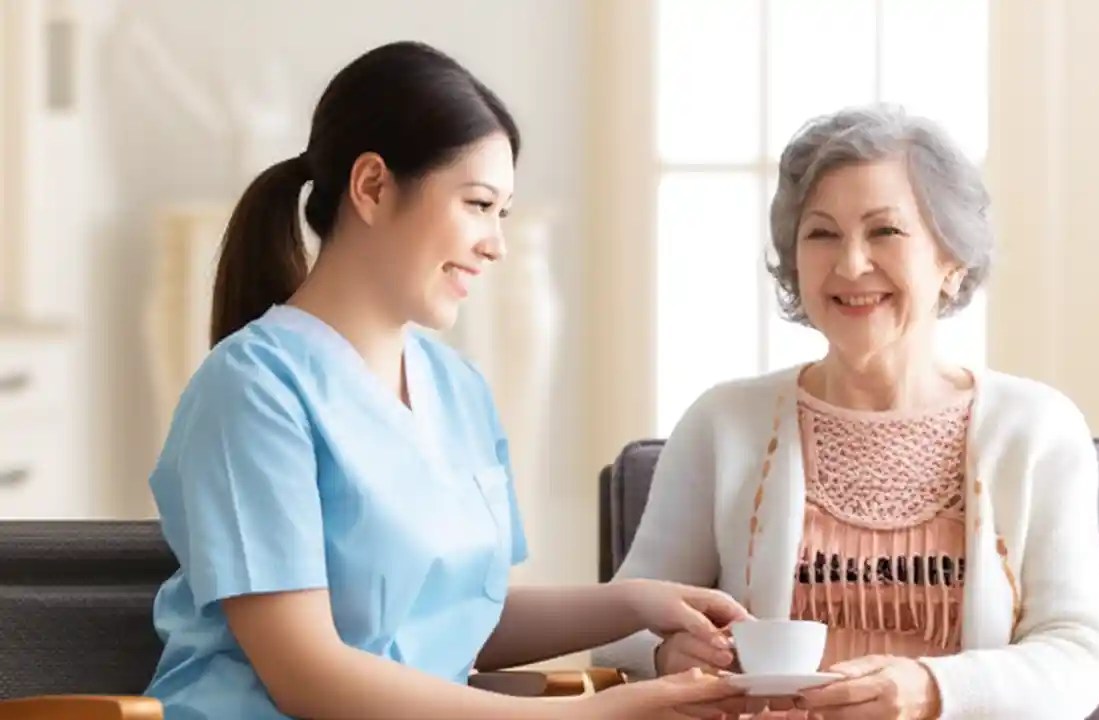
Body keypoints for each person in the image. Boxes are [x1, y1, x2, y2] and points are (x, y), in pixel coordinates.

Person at [142, 40, 749, 720]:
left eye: (503, 214)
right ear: (372, 187)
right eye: (478, 203)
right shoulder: (252, 390)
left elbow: (465, 620)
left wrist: (635, 603)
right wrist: (586, 714)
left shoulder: (457, 388)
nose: (497, 242)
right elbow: (305, 675)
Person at [592, 105, 1099, 719]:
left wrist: (932, 690)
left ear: (951, 259)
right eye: (821, 234)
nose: (850, 265)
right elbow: (620, 629)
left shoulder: (1037, 428)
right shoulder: (723, 422)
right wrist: (669, 655)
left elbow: (1080, 650)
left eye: (885, 232)